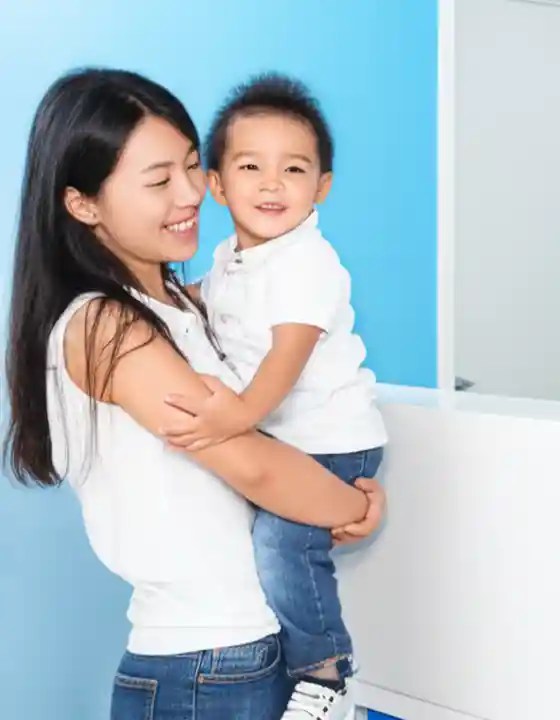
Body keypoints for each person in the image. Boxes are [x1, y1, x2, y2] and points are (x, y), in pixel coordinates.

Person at [4, 68, 384, 719]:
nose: (191, 195)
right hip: (206, 667)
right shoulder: (105, 325)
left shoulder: (181, 301)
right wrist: (354, 505)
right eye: (158, 181)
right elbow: (252, 462)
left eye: (189, 166)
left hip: (246, 651)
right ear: (83, 203)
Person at [158, 73, 386, 717]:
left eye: (294, 169)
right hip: (287, 437)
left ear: (322, 187)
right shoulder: (234, 255)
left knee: (283, 546)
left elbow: (288, 355)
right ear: (218, 185)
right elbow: (204, 300)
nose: (271, 184)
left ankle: (327, 673)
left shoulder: (308, 264)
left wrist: (237, 417)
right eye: (251, 166)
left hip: (333, 440)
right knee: (268, 546)